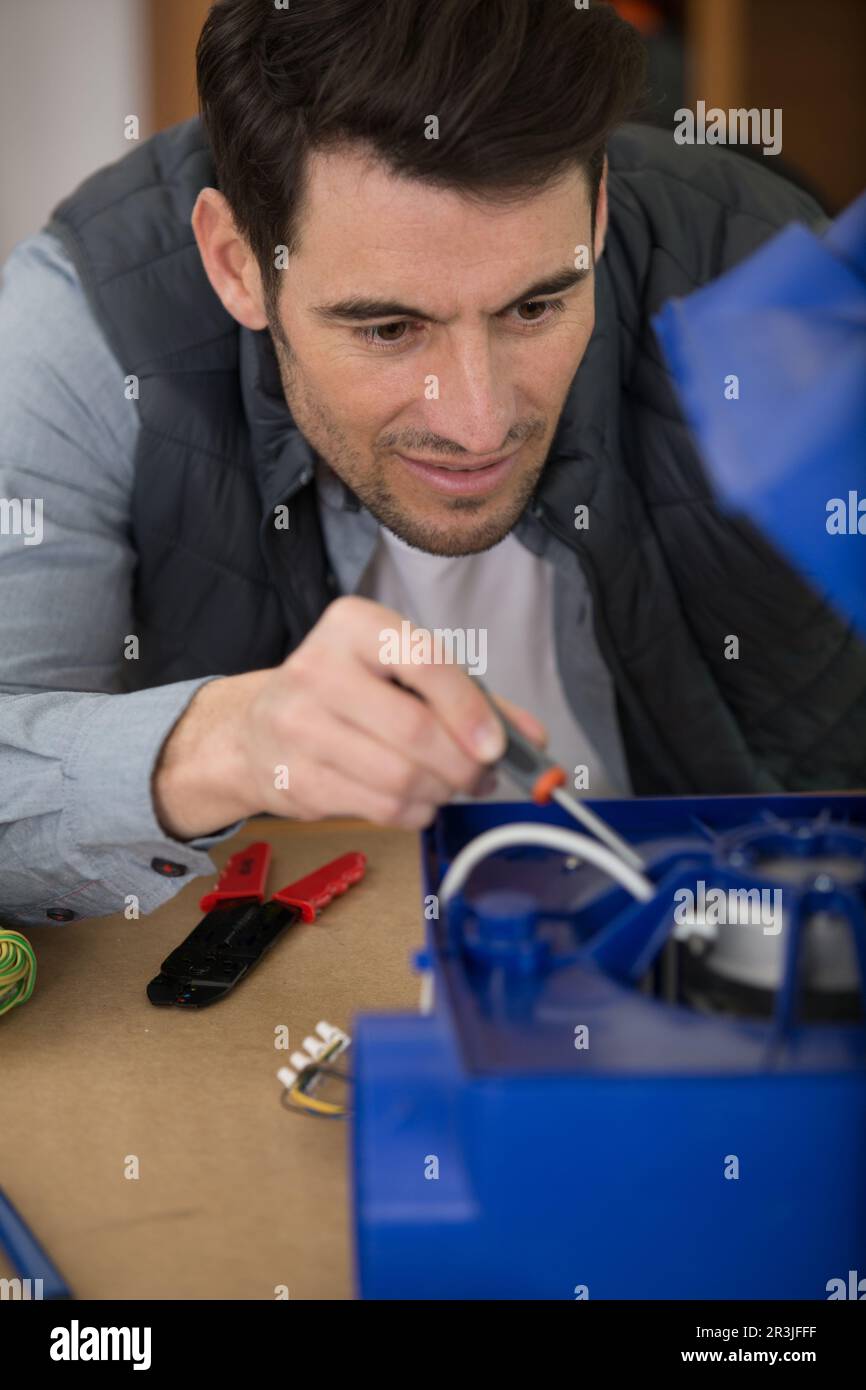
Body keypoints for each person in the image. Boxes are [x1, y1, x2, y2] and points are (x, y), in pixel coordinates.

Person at [1, 0, 861, 930]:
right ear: (237, 262)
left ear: (599, 206)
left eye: (535, 307)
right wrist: (217, 744)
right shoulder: (81, 330)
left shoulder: (769, 274)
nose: (481, 422)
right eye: (388, 327)